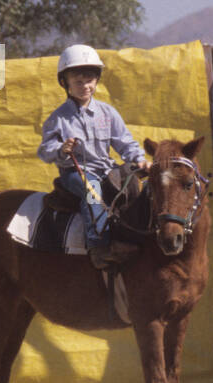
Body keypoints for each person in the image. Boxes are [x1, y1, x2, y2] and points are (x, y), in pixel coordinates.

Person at [38, 44, 150, 269]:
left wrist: (138, 159)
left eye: (89, 80)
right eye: (78, 82)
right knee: (92, 189)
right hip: (75, 173)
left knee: (133, 184)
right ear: (65, 83)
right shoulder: (58, 118)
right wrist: (61, 150)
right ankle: (98, 246)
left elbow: (124, 141)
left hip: (107, 168)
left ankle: (133, 237)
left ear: (96, 81)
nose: (85, 86)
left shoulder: (108, 113)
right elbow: (45, 150)